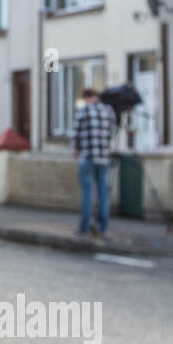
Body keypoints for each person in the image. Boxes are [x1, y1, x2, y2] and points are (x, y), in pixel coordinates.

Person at [72, 88, 117, 237]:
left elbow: (76, 133)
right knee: (103, 192)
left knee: (87, 192)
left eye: (85, 99)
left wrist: (76, 149)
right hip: (104, 158)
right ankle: (103, 226)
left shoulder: (84, 111)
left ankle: (84, 227)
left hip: (88, 157)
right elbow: (113, 131)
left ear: (87, 97)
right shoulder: (109, 110)